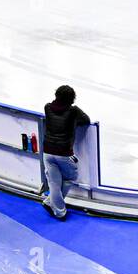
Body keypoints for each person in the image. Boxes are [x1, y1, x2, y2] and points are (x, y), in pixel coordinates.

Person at [40, 84, 90, 221]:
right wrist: (74, 123)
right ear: (72, 98)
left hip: (47, 151)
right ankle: (60, 212)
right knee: (70, 177)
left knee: (54, 183)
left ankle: (50, 202)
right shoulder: (73, 111)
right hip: (64, 152)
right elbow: (86, 120)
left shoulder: (47, 107)